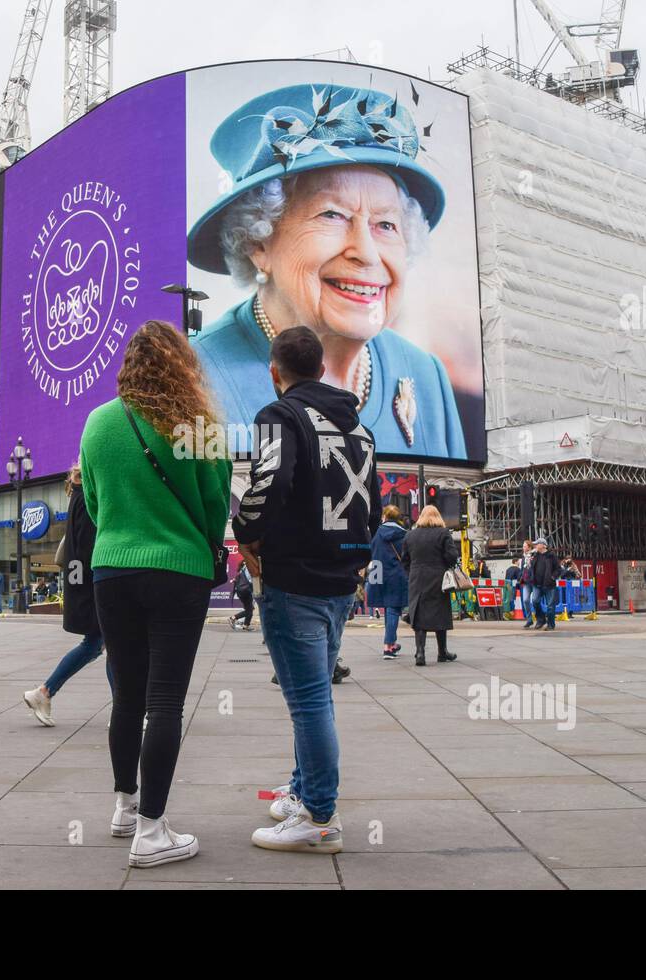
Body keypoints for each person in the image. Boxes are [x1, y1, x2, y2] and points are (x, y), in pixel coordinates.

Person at [189, 84, 465, 459]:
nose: (367, 254)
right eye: (332, 215)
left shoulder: (426, 376)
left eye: (386, 224)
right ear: (258, 243)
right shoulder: (194, 378)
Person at [80, 320, 231, 868]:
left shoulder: (98, 422)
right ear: (181, 364)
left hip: (112, 569)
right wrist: (197, 541)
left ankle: (124, 807)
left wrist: (123, 532)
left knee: (127, 694)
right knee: (165, 701)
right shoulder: (198, 424)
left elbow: (94, 503)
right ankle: (153, 831)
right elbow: (217, 506)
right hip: (179, 571)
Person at [233, 324, 378, 857]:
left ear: (276, 373)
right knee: (314, 693)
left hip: (294, 579)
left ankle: (320, 815)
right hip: (341, 581)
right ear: (322, 368)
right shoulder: (361, 431)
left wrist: (246, 532)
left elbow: (269, 480)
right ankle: (302, 790)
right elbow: (372, 503)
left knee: (309, 699)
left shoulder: (279, 415)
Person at [24, 462, 112, 726]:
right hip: (94, 583)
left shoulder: (79, 495)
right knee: (109, 645)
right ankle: (126, 710)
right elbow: (87, 546)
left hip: (89, 583)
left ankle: (44, 692)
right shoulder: (86, 498)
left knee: (95, 645)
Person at [401, 504, 458, 665]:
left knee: (419, 615)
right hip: (438, 578)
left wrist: (411, 573)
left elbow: (404, 560)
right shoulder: (443, 533)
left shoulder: (410, 535)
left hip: (417, 578)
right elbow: (452, 556)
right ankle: (442, 652)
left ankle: (420, 652)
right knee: (440, 613)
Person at [367, 504, 408, 659]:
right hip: (396, 574)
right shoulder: (403, 534)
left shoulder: (376, 532)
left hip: (378, 572)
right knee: (392, 609)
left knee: (387, 608)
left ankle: (392, 642)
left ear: (384, 517)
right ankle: (388, 646)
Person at [528, 538, 561, 630]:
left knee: (550, 606)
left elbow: (558, 569)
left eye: (537, 544)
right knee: (535, 601)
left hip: (549, 585)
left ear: (543, 545)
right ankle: (541, 619)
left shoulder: (551, 555)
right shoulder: (535, 555)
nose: (535, 546)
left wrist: (552, 577)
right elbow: (532, 568)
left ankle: (551, 624)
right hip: (537, 584)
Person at [230, 561, 255, 631]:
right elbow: (250, 579)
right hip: (246, 591)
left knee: (250, 609)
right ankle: (233, 617)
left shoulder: (243, 569)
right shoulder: (248, 567)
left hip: (242, 591)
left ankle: (246, 625)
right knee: (249, 610)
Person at [517, 540, 536, 628]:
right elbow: (522, 569)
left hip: (535, 581)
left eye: (524, 546)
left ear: (529, 547)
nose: (523, 548)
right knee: (525, 600)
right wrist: (520, 577)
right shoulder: (523, 557)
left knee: (536, 601)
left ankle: (540, 617)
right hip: (526, 582)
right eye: (523, 546)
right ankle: (529, 619)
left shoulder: (534, 555)